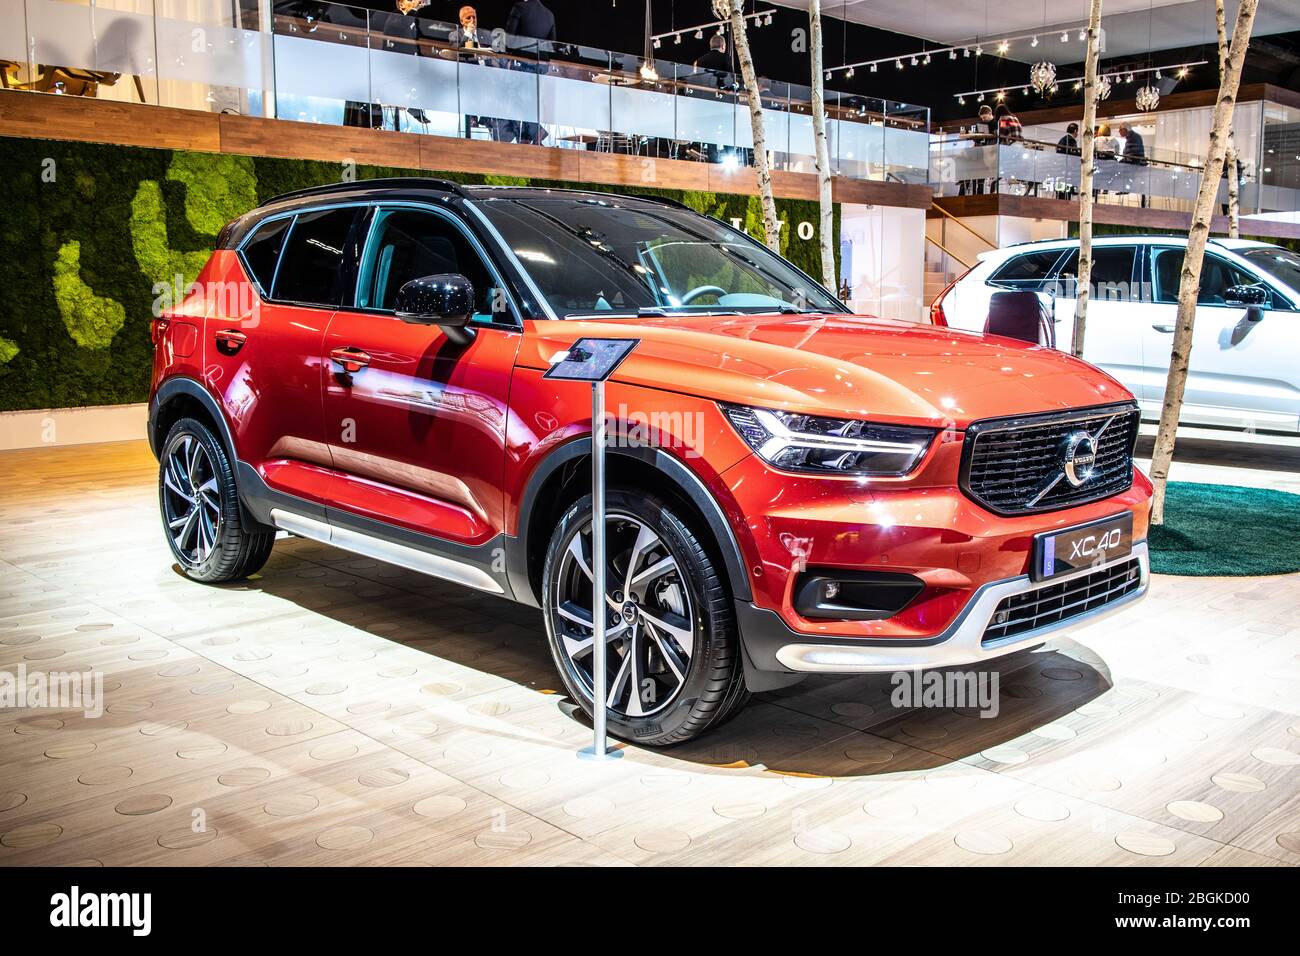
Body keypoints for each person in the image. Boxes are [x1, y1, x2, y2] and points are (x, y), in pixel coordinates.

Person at [503, 0, 555, 144]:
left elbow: (509, 39)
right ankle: (530, 138)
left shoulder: (520, 7)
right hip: (540, 69)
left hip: (521, 66)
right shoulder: (549, 15)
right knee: (531, 105)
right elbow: (552, 45)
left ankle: (533, 135)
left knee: (515, 102)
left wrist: (508, 58)